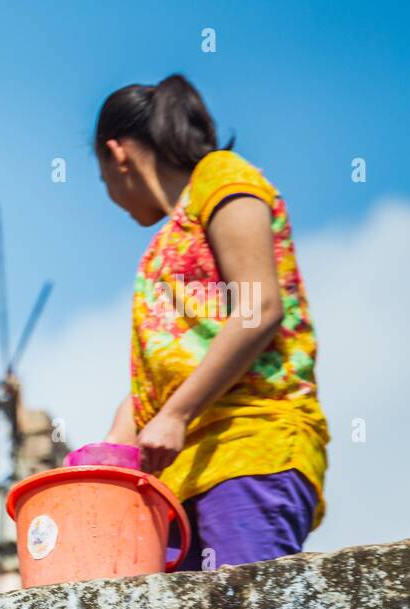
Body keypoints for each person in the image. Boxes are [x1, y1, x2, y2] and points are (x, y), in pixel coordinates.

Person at [95, 75, 329, 569]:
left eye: (104, 181)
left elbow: (259, 308)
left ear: (117, 155)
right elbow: (172, 364)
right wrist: (114, 446)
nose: (112, 195)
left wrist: (176, 415)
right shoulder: (167, 242)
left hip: (249, 447)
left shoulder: (222, 178)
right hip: (182, 476)